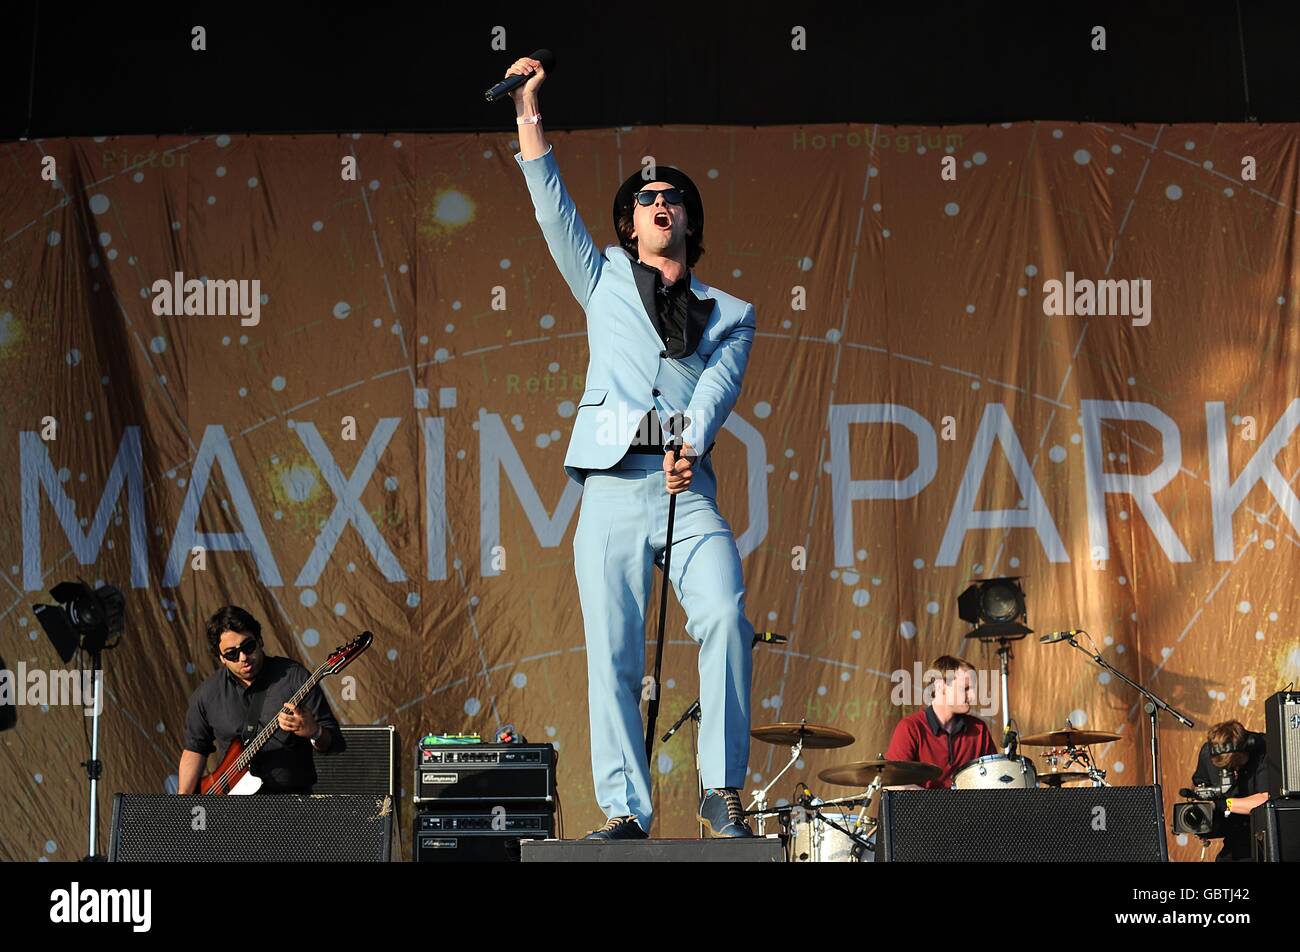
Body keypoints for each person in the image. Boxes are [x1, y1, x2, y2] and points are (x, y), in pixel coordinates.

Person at [507, 55, 758, 839]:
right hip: (614, 487)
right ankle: (625, 808)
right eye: (647, 199)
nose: (660, 204)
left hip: (686, 486)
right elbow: (552, 212)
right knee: (612, 654)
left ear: (687, 221)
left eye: (671, 199)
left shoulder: (731, 311)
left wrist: (693, 436)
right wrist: (528, 115)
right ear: (629, 223)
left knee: (724, 613)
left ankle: (720, 790)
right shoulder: (605, 275)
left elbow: (717, 388)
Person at [177, 605, 343, 794]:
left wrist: (314, 731)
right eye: (232, 654)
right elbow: (194, 748)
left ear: (260, 640)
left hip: (292, 805)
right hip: (234, 811)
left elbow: (335, 742)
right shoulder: (207, 694)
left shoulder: (294, 677)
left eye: (248, 646)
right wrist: (183, 803)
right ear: (221, 658)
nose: (243, 657)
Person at [884, 655, 998, 789]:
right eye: (965, 688)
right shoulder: (911, 728)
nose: (972, 696)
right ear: (940, 686)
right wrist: (938, 805)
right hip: (922, 809)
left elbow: (994, 777)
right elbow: (893, 785)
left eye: (973, 689)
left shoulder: (979, 729)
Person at [1191, 719, 1269, 862]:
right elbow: (1199, 789)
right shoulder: (1207, 753)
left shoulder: (1264, 748)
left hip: (1264, 840)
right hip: (1233, 842)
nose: (1231, 771)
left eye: (1233, 765)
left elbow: (1265, 799)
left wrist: (1224, 804)